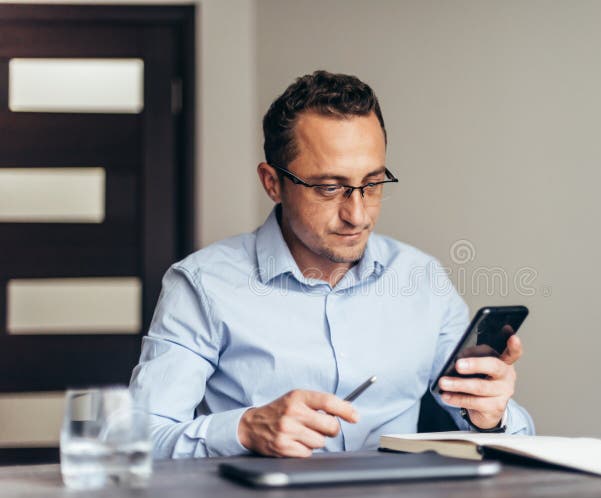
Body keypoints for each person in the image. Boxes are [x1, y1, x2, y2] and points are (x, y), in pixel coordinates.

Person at [129, 71, 534, 459]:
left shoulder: (423, 279)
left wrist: (490, 417)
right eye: (329, 188)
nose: (357, 215)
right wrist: (245, 429)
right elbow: (141, 441)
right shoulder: (202, 286)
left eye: (372, 185)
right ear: (273, 183)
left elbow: (511, 435)